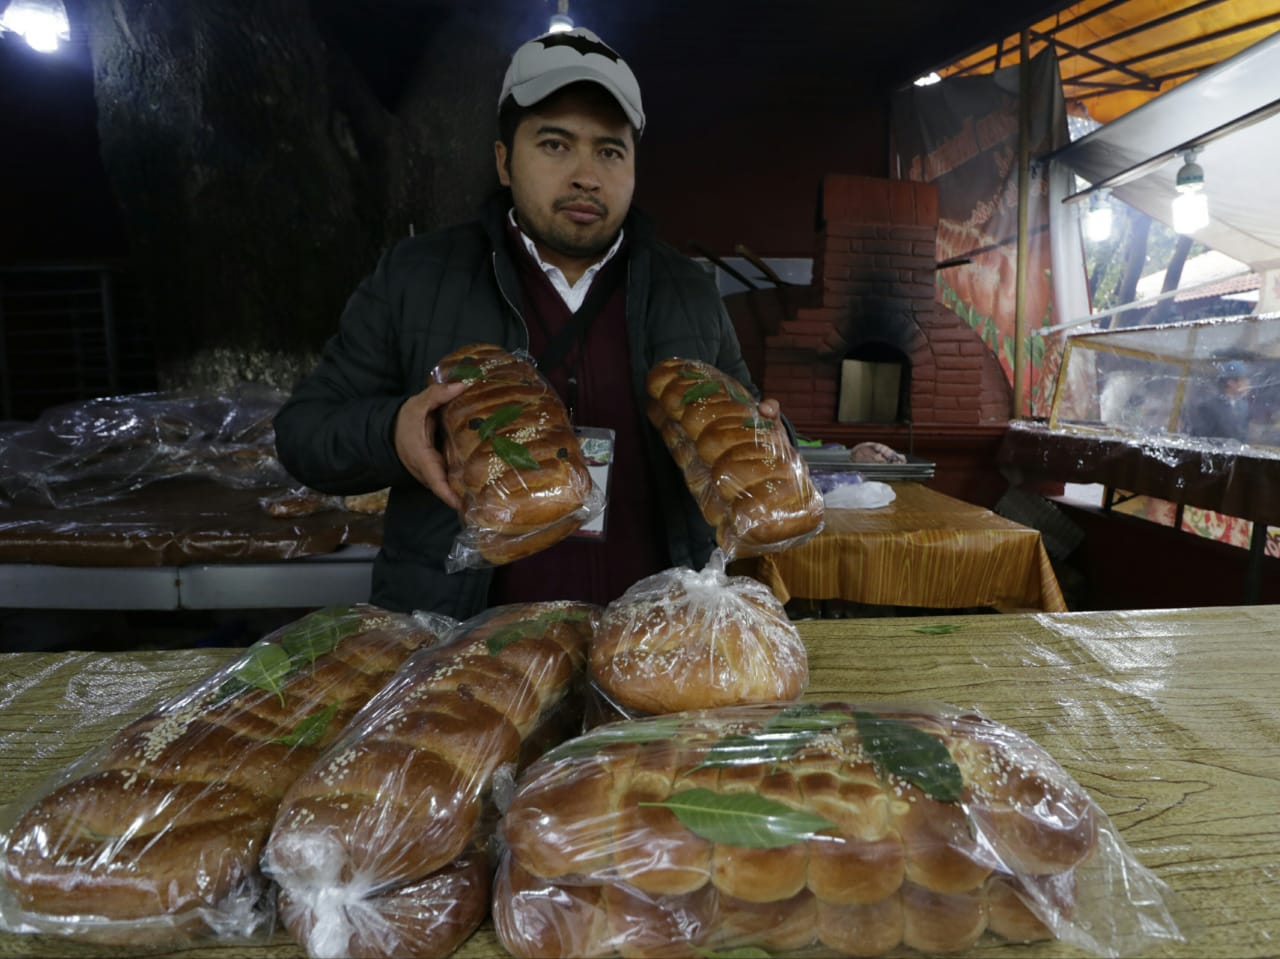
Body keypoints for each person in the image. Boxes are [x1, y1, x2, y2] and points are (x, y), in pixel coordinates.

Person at [274, 27, 791, 619]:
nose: (585, 175)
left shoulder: (688, 290)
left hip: (651, 643)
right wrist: (394, 429)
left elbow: (747, 425)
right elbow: (304, 433)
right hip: (465, 649)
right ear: (503, 160)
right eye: (554, 145)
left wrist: (772, 439)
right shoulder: (417, 277)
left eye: (609, 150)